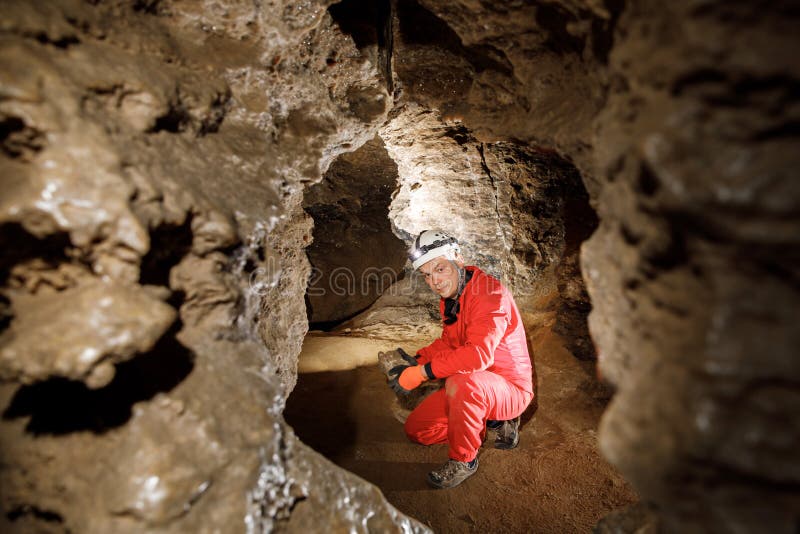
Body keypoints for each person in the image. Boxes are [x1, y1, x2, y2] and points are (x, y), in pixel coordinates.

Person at [388, 230, 535, 489]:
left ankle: (464, 460)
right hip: (477, 384)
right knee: (418, 430)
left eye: (440, 269)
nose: (435, 281)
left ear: (458, 258)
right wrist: (416, 360)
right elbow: (450, 342)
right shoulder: (453, 298)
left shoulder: (490, 294)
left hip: (509, 388)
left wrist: (423, 373)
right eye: (427, 275)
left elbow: (477, 355)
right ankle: (491, 422)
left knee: (460, 381)